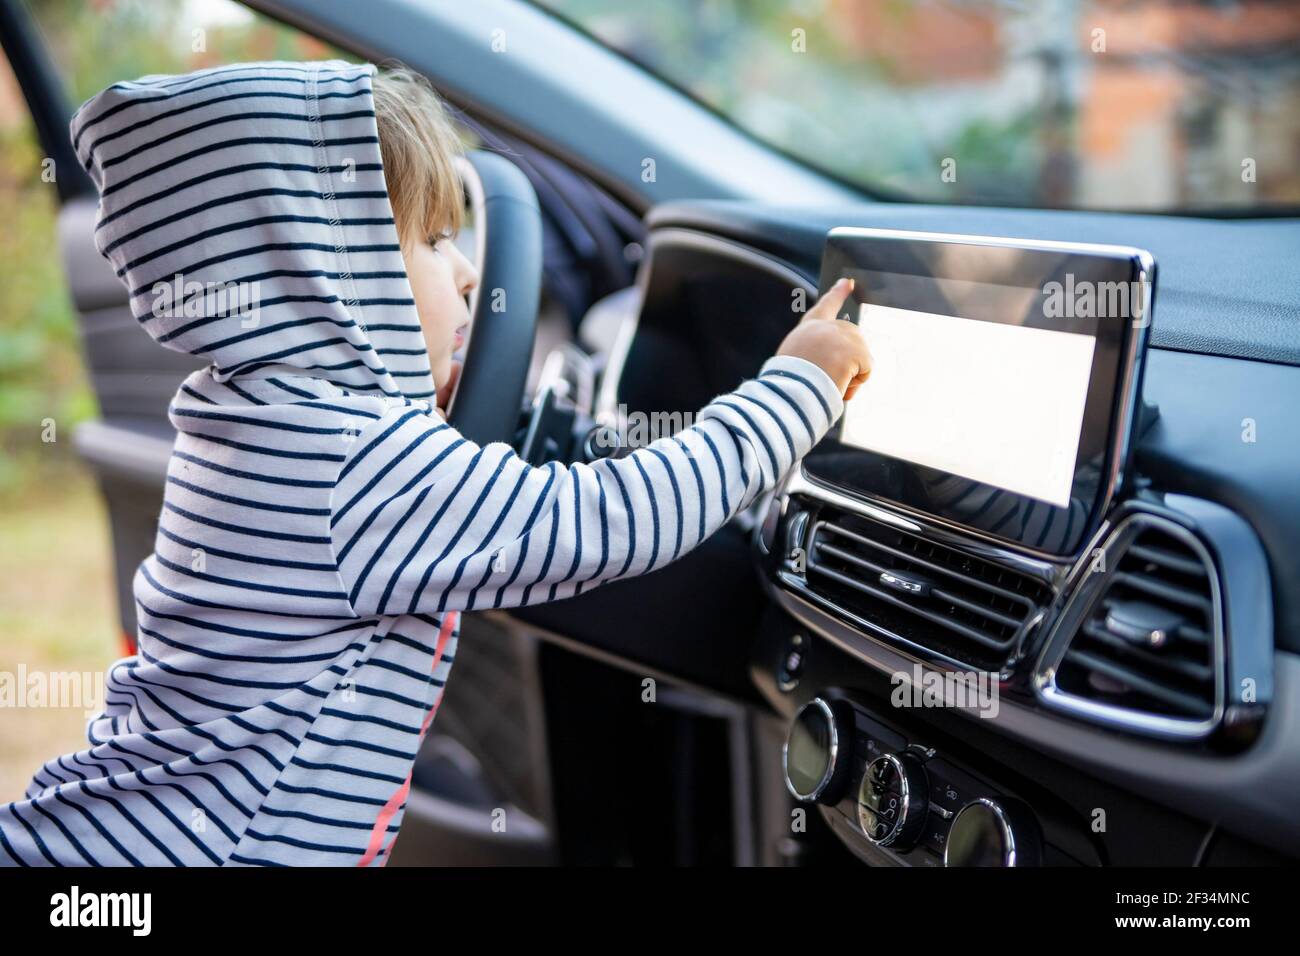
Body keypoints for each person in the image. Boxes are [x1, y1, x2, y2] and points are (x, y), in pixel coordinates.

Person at [0, 61, 869, 866]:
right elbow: (609, 517)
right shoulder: (359, 462)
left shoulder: (254, 417)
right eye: (430, 243)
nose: (465, 276)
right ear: (326, 270)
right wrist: (793, 390)